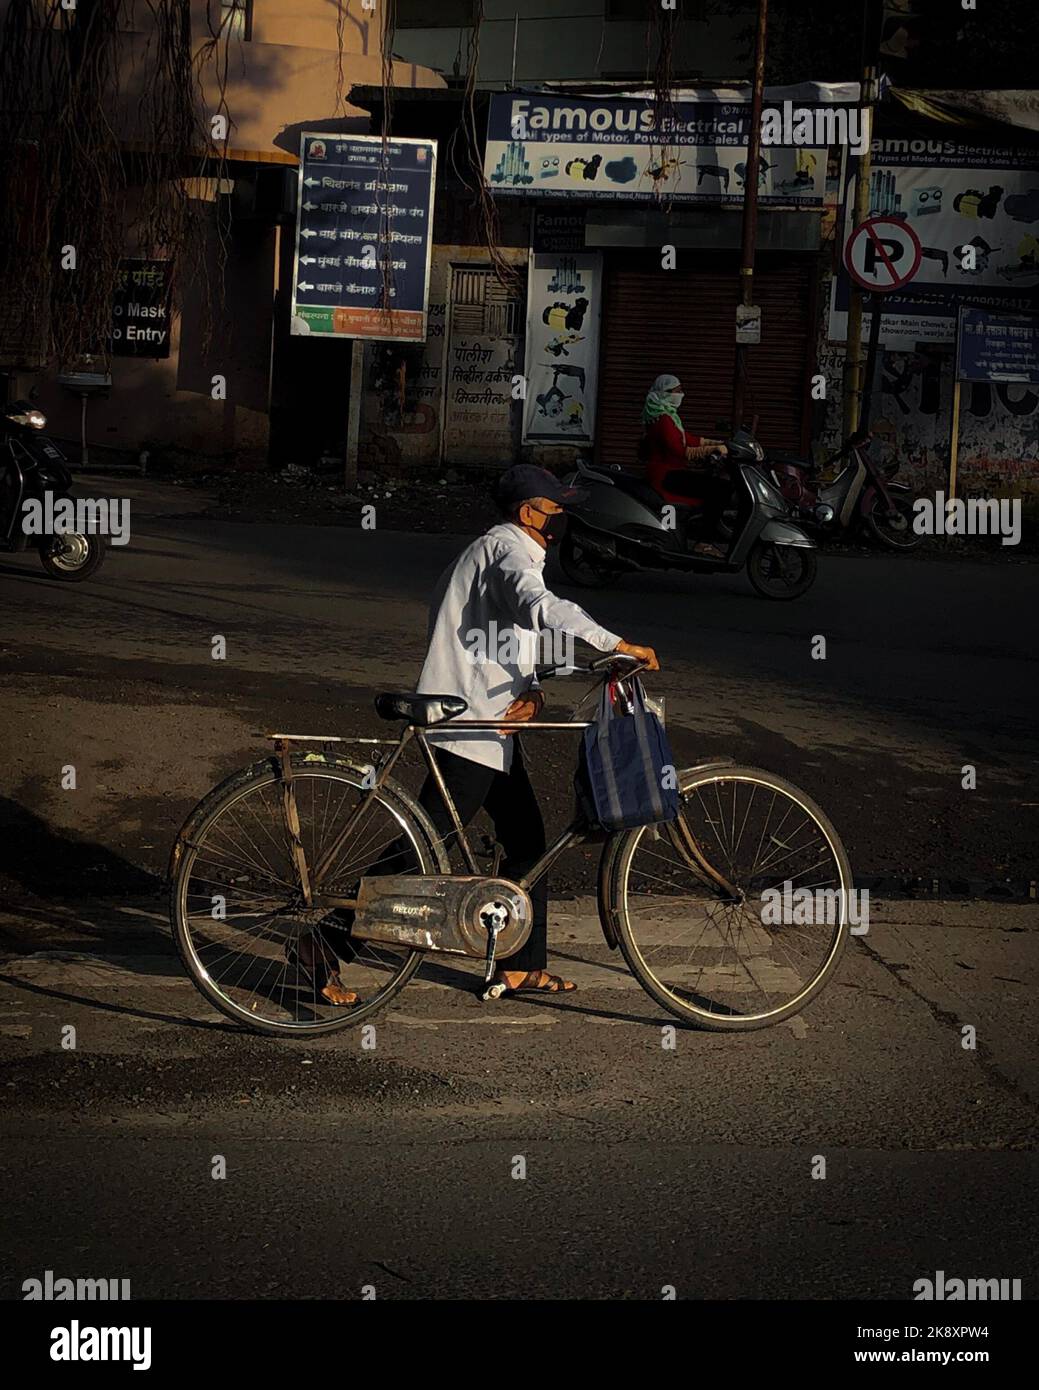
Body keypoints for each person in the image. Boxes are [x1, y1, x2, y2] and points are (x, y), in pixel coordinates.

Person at [298, 465, 659, 1006]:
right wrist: (619, 642)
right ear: (529, 512)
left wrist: (533, 691)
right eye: (555, 506)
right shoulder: (508, 552)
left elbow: (513, 636)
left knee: (528, 843)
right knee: (425, 850)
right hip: (467, 726)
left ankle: (520, 968)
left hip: (490, 725)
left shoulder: (500, 555)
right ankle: (322, 944)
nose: (563, 516)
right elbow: (540, 609)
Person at [639, 373, 730, 556]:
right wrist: (713, 450)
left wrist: (716, 443)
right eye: (677, 391)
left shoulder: (667, 414)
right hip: (665, 475)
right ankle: (703, 542)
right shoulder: (663, 419)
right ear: (665, 393)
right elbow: (680, 451)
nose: (681, 394)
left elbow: (687, 438)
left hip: (670, 471)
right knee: (719, 490)